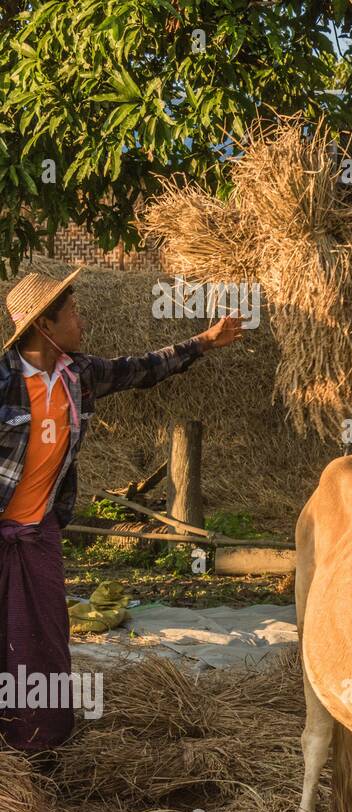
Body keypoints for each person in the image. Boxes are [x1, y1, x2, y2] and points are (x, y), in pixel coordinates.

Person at [0, 267, 242, 752]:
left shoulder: (78, 376)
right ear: (44, 327)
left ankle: (36, 743)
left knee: (42, 642)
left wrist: (205, 341)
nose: (81, 321)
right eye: (71, 313)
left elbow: (143, 368)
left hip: (39, 535)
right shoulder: (3, 384)